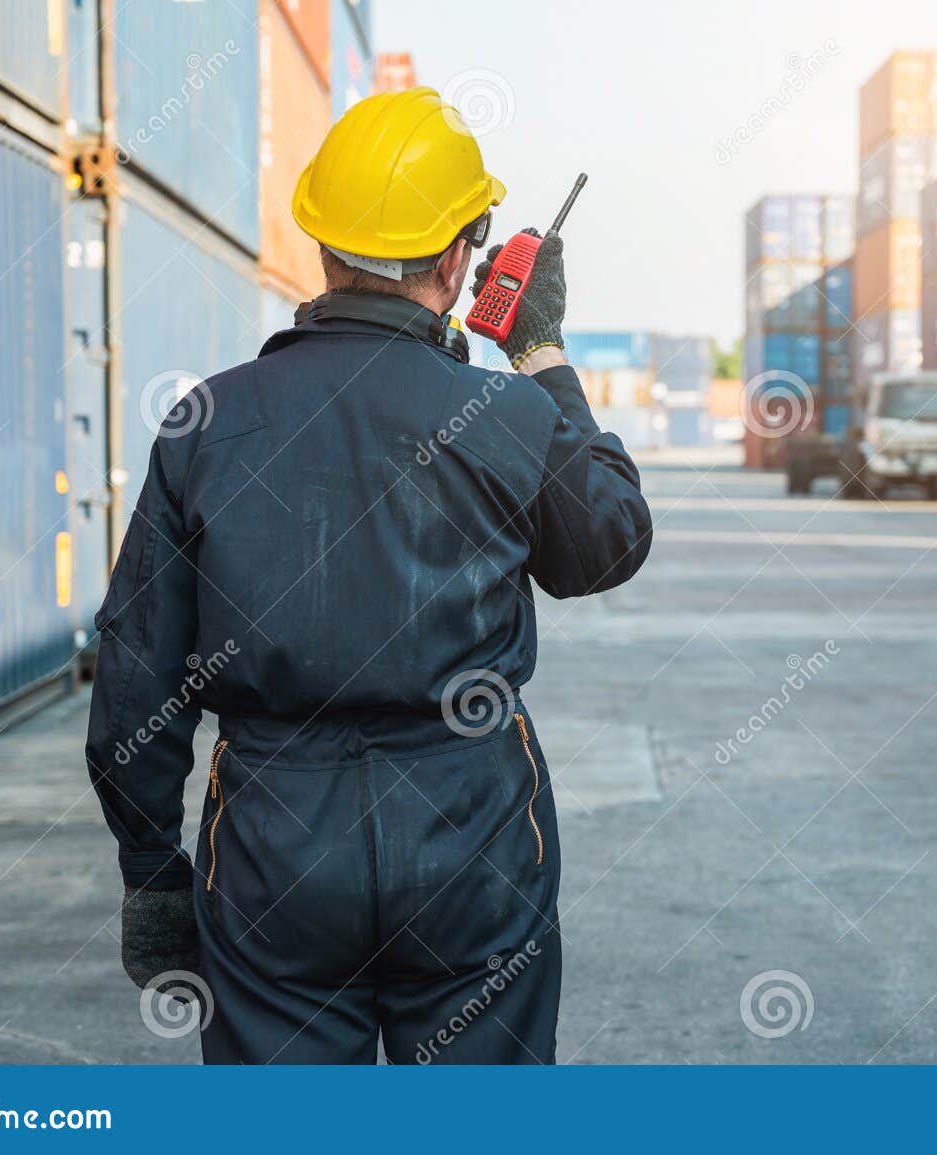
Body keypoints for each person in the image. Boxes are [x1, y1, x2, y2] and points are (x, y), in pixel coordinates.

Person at [84, 87, 653, 1064]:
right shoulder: (505, 417)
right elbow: (605, 542)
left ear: (322, 246)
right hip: (472, 831)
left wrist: (153, 869)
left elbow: (137, 673)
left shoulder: (206, 425)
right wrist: (542, 356)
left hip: (273, 847)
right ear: (459, 255)